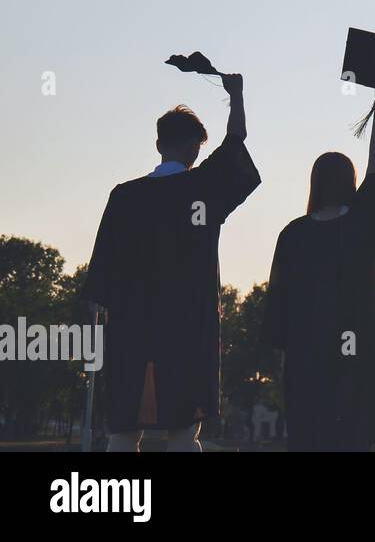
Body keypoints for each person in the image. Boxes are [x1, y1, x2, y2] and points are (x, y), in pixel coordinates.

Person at [86, 73, 260, 452]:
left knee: (123, 430)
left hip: (131, 331)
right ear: (197, 149)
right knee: (183, 432)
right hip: (187, 330)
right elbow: (236, 142)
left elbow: (99, 280)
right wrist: (236, 95)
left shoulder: (124, 198)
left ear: (158, 144)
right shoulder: (203, 189)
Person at [261, 85, 375, 451]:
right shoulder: (360, 226)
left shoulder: (293, 235)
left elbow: (277, 302)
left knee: (310, 437)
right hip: (354, 357)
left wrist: (282, 355)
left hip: (306, 358)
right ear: (350, 183)